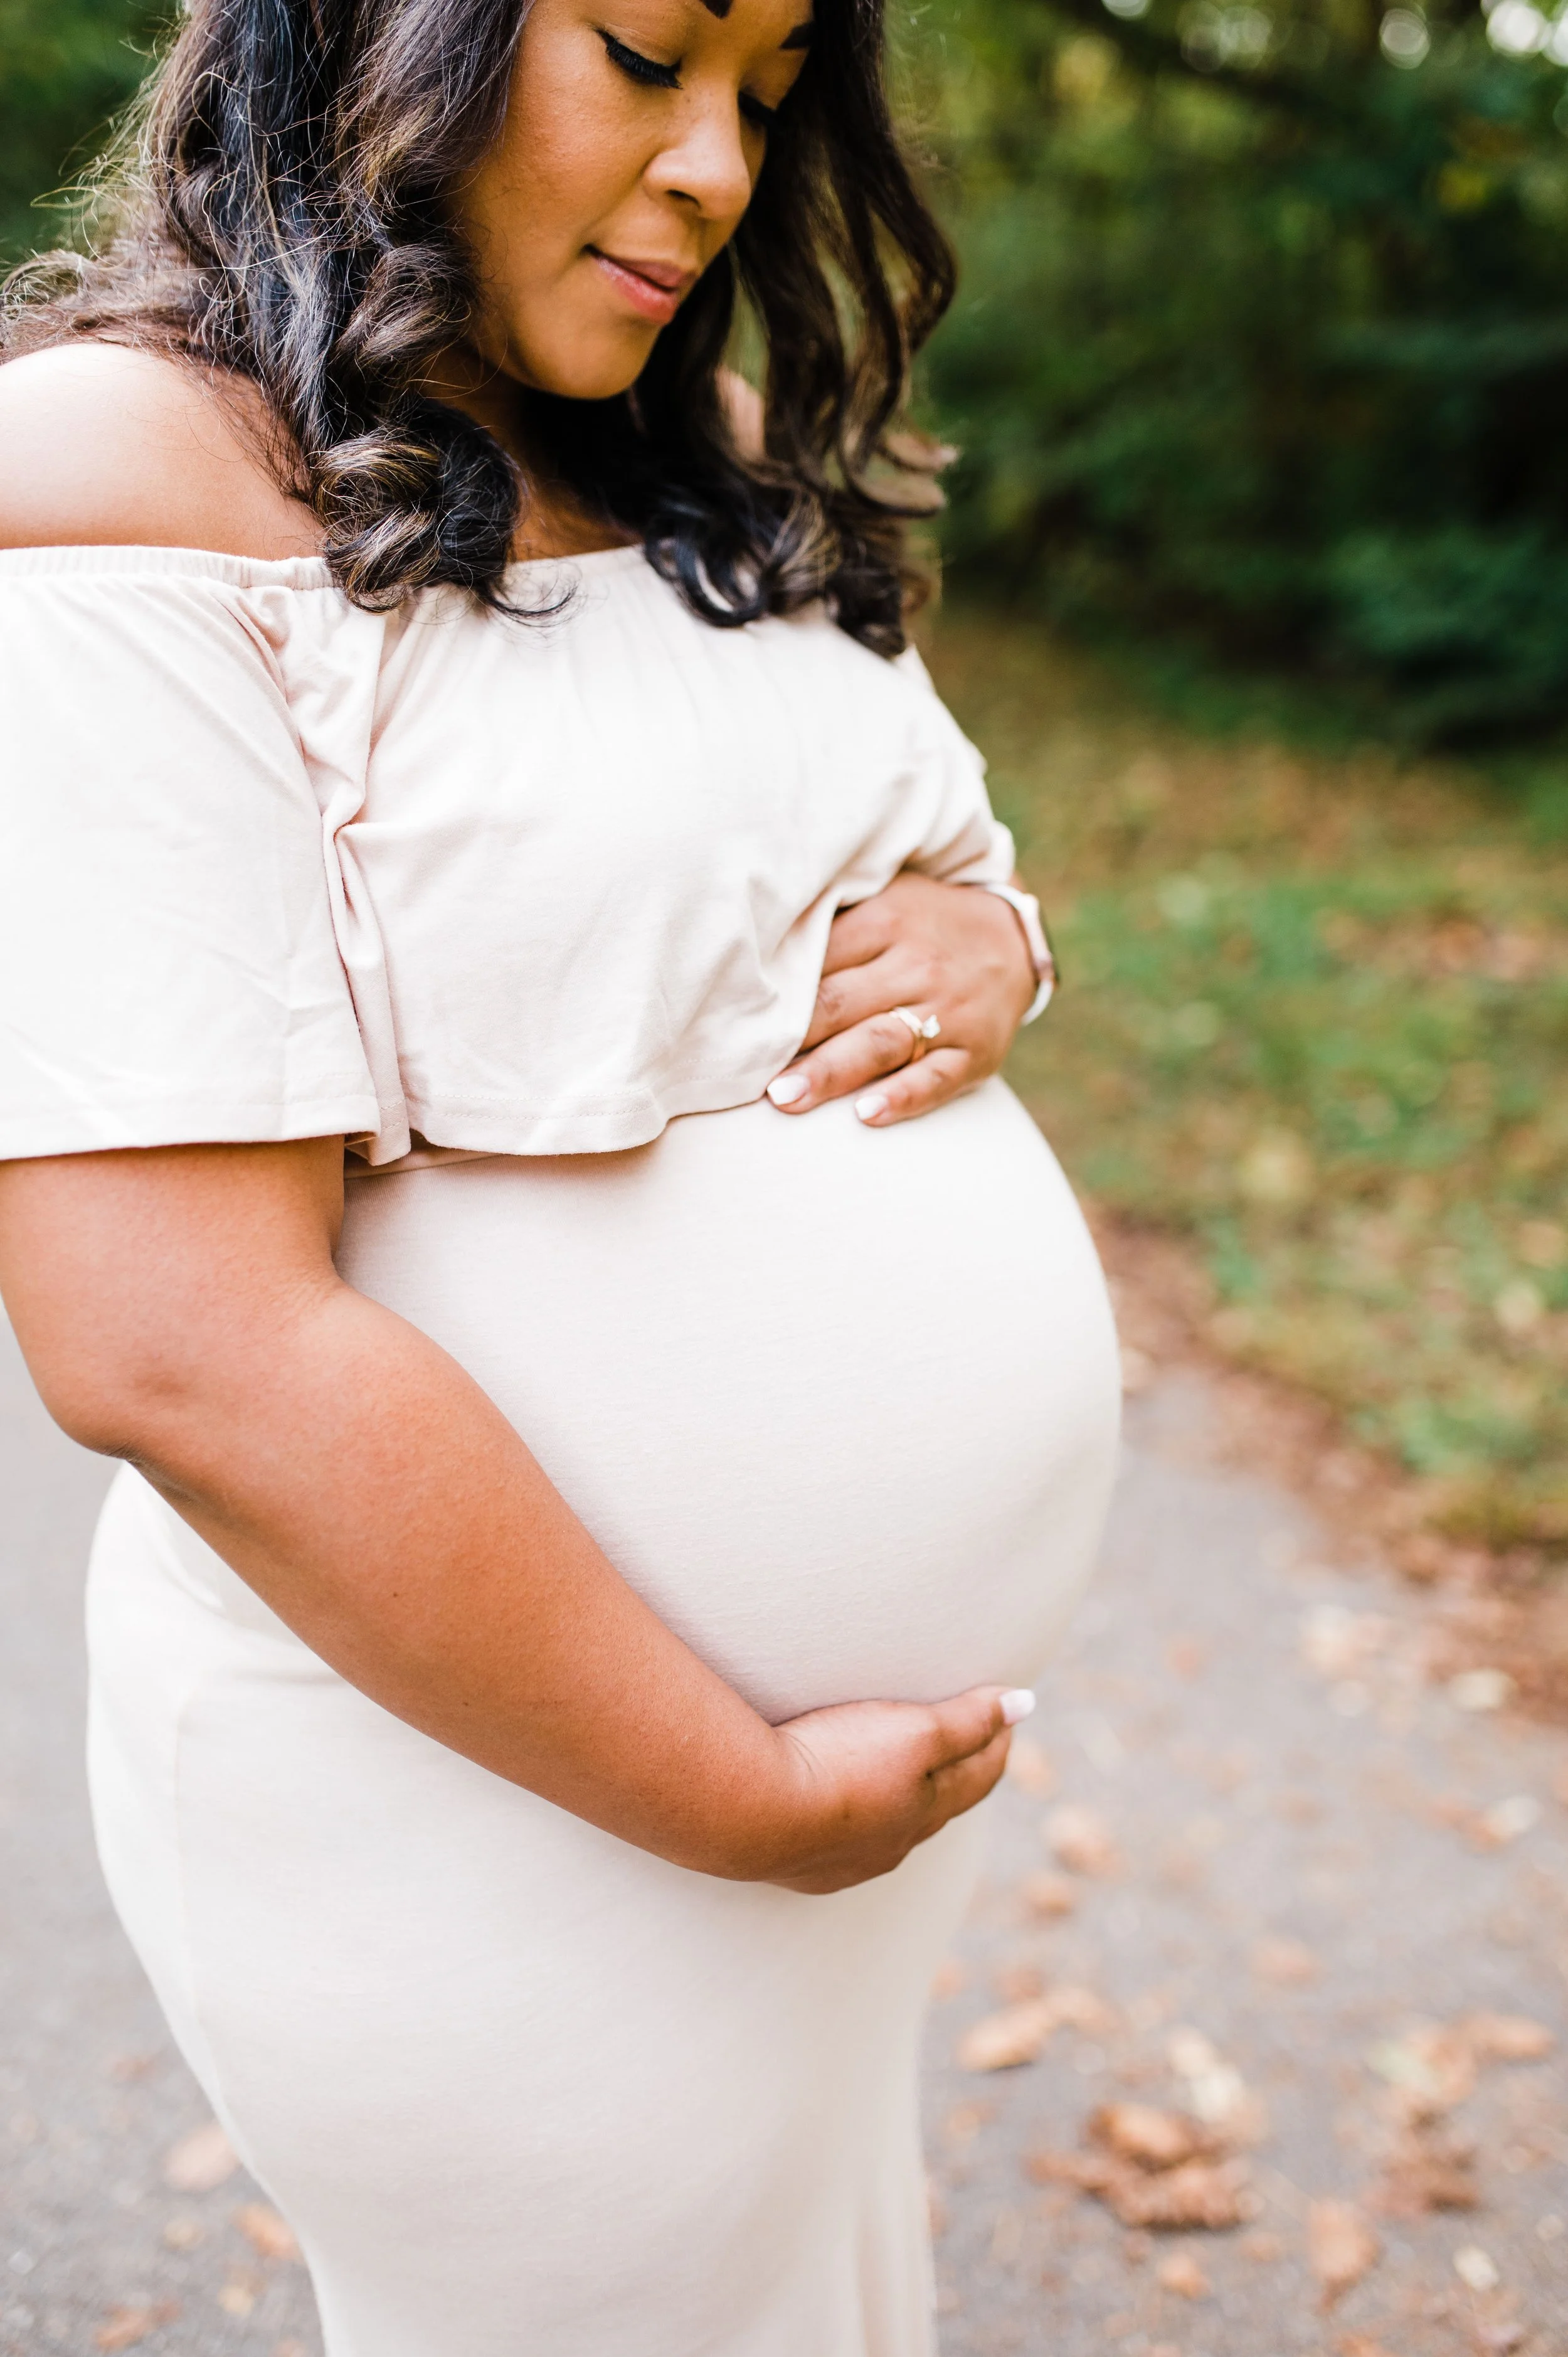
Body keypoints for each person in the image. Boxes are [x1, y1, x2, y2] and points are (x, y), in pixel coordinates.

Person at [0, 0, 1120, 2348]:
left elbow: (906, 845)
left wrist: (996, 938)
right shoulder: (124, 472)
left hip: (818, 1806)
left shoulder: (693, 457)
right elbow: (170, 1343)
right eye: (644, 50)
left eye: (772, 84)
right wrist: (731, 1790)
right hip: (497, 1799)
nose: (717, 164)